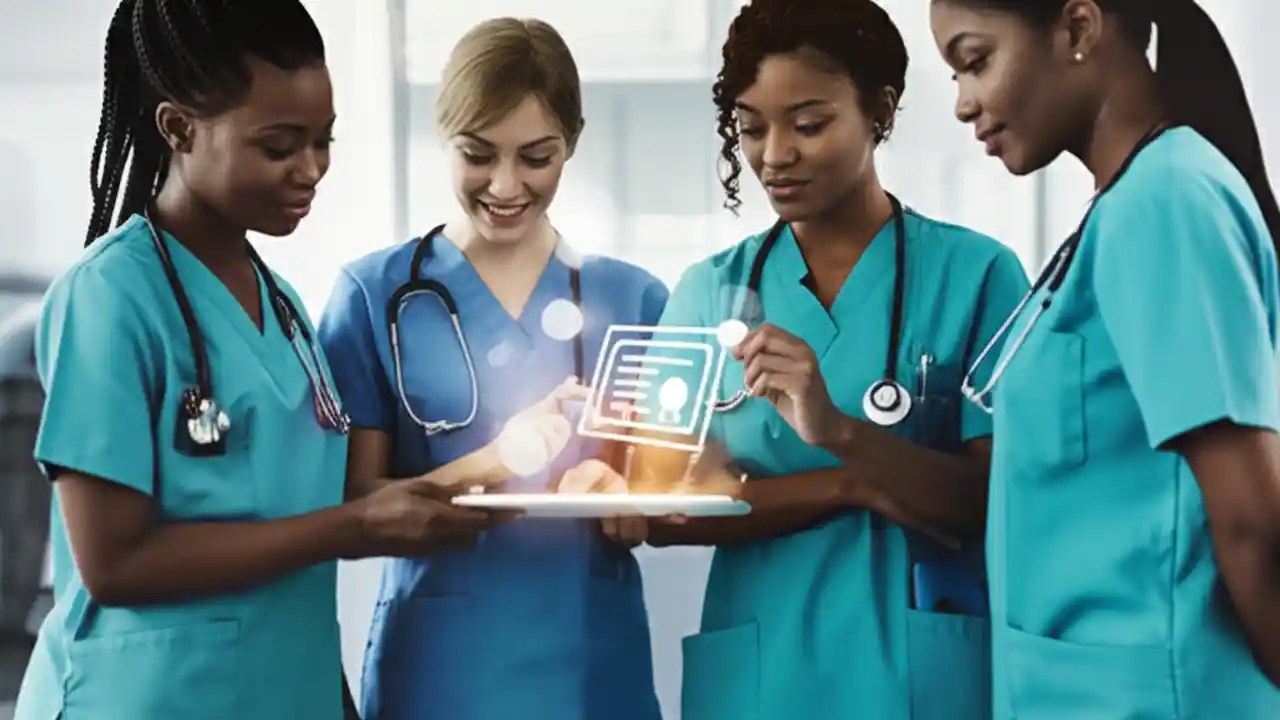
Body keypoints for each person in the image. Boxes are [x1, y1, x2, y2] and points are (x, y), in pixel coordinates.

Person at [13, 2, 496, 718]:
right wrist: (354, 527)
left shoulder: (287, 310)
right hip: (147, 700)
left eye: (323, 142)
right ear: (178, 128)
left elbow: (290, 541)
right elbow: (114, 564)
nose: (311, 170)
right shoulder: (110, 297)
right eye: (279, 146)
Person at [559, 1, 1028, 718]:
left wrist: (836, 431)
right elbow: (662, 508)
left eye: (808, 124)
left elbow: (996, 501)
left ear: (881, 110)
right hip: (760, 677)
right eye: (751, 127)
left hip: (916, 675)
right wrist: (851, 488)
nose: (774, 155)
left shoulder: (978, 276)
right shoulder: (711, 292)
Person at [928, 0, 1280, 717]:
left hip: (1160, 696)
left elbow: (1253, 522)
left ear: (1079, 29)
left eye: (976, 61)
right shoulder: (1122, 206)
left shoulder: (1167, 199)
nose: (964, 104)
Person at [317, 17, 668, 720]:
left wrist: (629, 491)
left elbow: (669, 487)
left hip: (591, 667)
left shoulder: (635, 300)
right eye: (478, 154)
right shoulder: (373, 295)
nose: (505, 185)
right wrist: (499, 459)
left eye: (536, 157)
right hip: (439, 667)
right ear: (444, 137)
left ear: (572, 143)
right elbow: (353, 509)